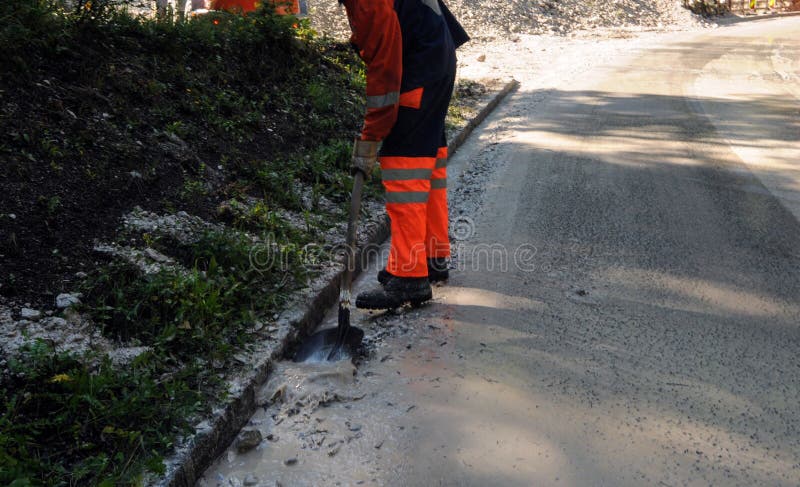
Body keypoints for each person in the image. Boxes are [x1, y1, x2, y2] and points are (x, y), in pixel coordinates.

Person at [341, 0, 469, 310]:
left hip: (420, 66)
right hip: (437, 56)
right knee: (430, 161)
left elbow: (385, 72)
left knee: (404, 166)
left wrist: (371, 135)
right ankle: (431, 257)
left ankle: (410, 275)